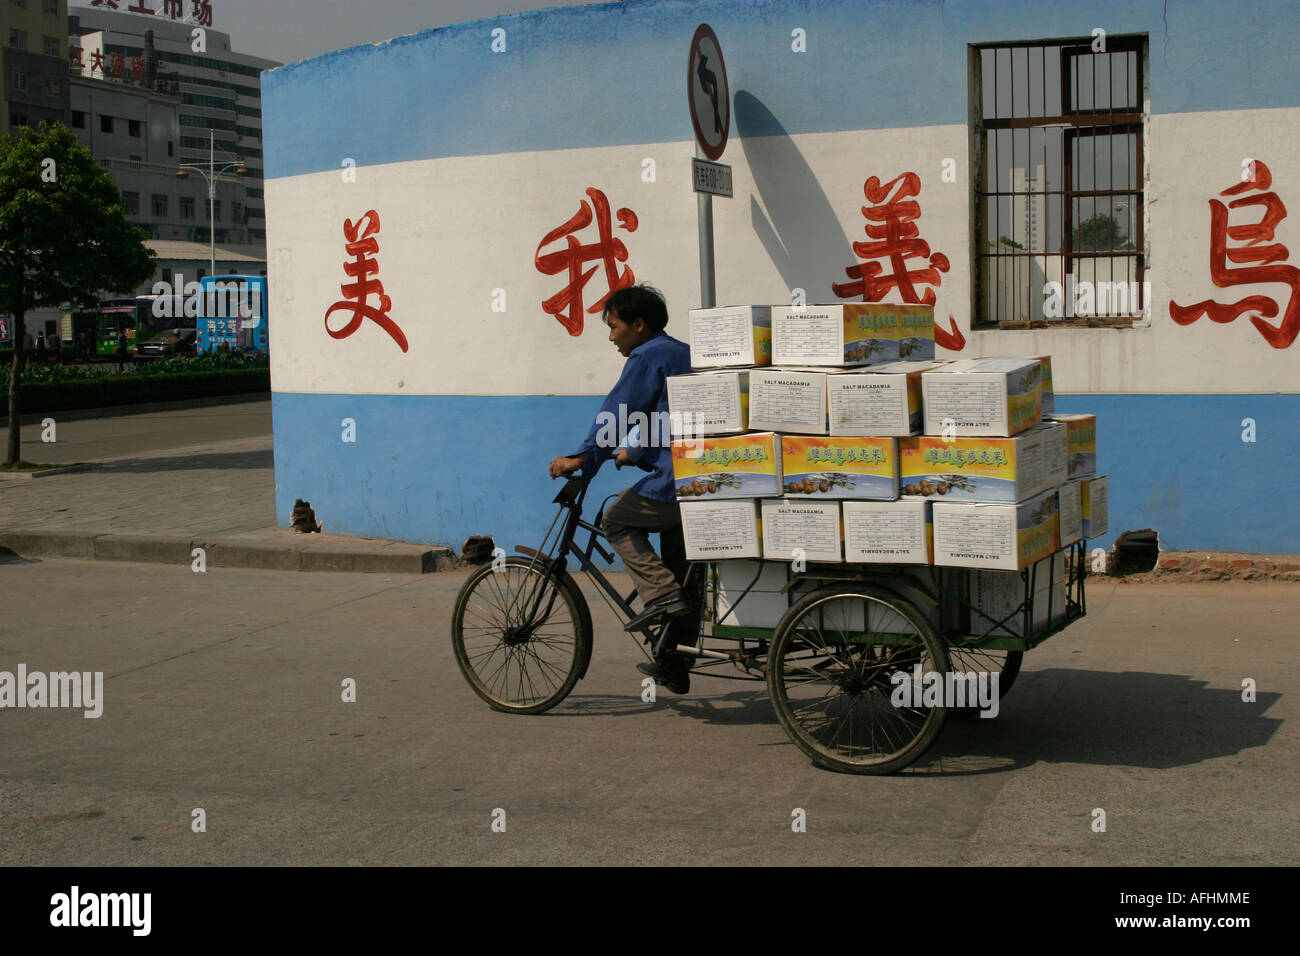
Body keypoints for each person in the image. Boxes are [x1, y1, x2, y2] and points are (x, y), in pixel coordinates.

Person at [548, 284, 696, 693]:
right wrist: (634, 452)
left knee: (617, 519)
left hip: (678, 481)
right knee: (681, 575)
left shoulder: (646, 355)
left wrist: (580, 458)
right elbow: (668, 416)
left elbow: (619, 411)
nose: (611, 336)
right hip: (700, 477)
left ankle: (661, 597)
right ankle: (674, 662)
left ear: (639, 325)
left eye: (614, 327)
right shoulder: (679, 352)